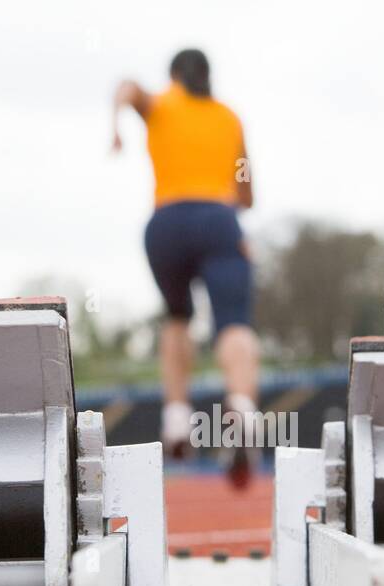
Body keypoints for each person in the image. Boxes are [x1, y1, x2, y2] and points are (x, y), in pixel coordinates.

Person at [112, 48, 261, 487]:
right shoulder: (229, 118)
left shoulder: (160, 104)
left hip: (166, 224)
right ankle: (243, 408)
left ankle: (177, 418)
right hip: (218, 219)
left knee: (178, 316)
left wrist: (117, 123)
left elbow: (126, 87)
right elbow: (248, 192)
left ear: (174, 75)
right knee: (234, 322)